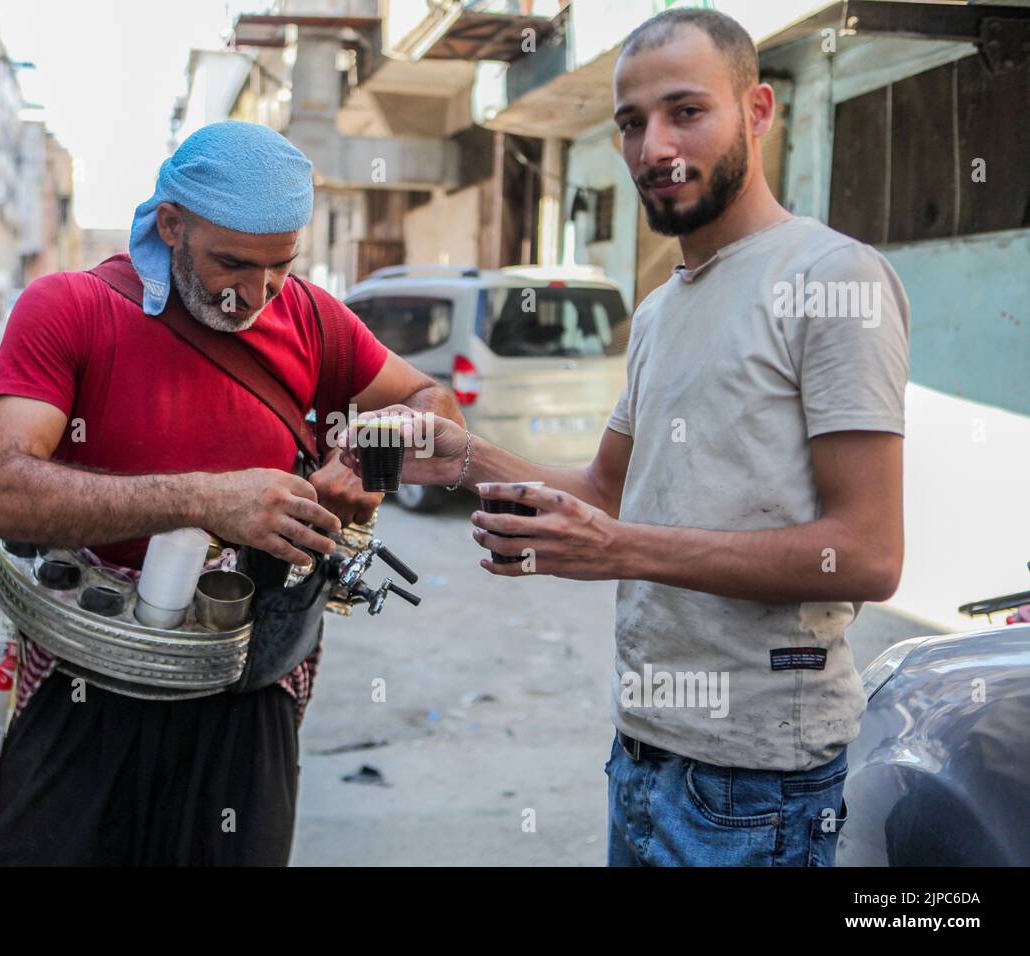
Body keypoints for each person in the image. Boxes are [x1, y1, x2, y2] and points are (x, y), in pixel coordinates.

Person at [347, 9, 909, 867]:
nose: (653, 146)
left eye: (687, 111)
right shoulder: (658, 310)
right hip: (643, 757)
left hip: (756, 784)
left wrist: (621, 549)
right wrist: (465, 457)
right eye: (632, 121)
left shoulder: (831, 278)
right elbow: (608, 490)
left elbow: (866, 553)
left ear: (758, 112)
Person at [0, 120, 464, 865]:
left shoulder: (313, 318)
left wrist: (375, 460)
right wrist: (204, 499)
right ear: (170, 224)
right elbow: (1, 494)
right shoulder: (68, 308)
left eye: (279, 268)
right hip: (85, 683)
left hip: (247, 692)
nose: (255, 296)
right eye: (231, 263)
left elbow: (435, 403)